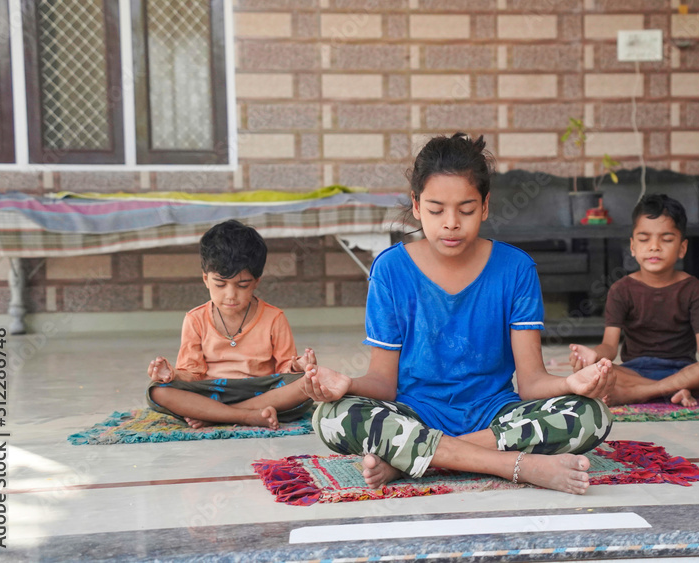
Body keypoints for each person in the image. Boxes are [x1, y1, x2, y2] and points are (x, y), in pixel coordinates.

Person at [303, 133, 614, 495]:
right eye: (436, 210)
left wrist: (570, 385)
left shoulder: (516, 268)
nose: (451, 223)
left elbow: (531, 384)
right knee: (329, 417)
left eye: (466, 210)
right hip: (415, 415)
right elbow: (383, 385)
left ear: (484, 207)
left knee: (592, 415)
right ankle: (517, 465)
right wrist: (348, 384)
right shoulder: (390, 270)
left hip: (493, 416)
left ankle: (412, 458)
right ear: (416, 206)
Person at [569, 194, 699, 407]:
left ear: (682, 248)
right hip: (634, 371)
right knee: (591, 370)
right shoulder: (621, 290)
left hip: (683, 370)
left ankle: (640, 393)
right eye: (644, 239)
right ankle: (672, 391)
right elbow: (609, 348)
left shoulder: (692, 288)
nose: (654, 246)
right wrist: (593, 354)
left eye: (666, 239)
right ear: (632, 246)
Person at [146, 220, 316, 430]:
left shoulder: (274, 318)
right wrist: (171, 374)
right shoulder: (195, 319)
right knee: (157, 391)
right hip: (211, 391)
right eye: (220, 284)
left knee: (307, 384)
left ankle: (214, 415)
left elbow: (284, 371)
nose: (230, 295)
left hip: (261, 390)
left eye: (242, 285)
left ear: (256, 282)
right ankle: (246, 415)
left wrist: (298, 366)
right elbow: (193, 373)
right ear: (206, 279)